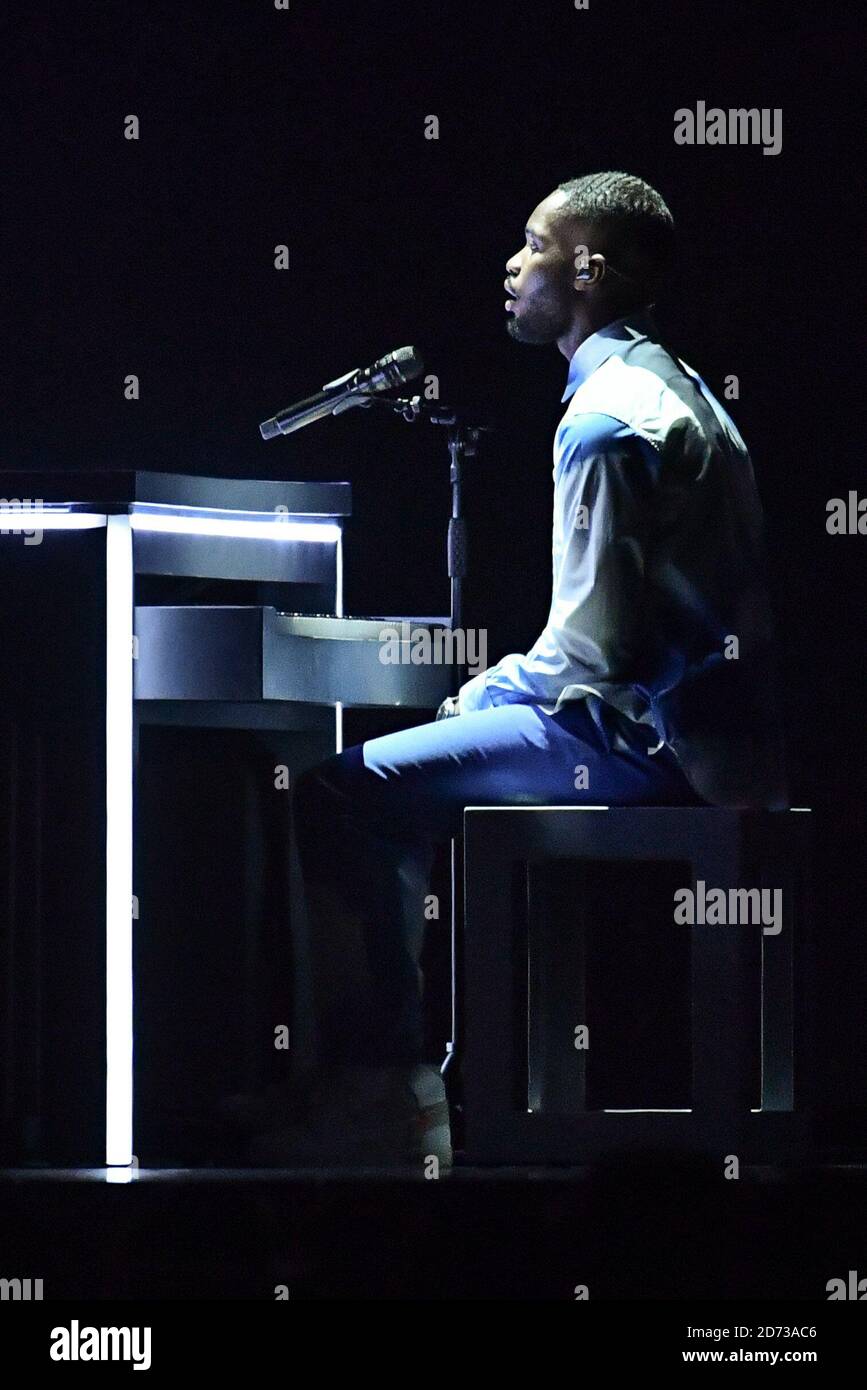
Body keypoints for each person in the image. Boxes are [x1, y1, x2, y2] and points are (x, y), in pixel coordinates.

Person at [244, 170, 787, 1167]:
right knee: (448, 733)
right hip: (715, 734)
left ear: (589, 271)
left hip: (638, 739)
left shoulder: (605, 418)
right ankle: (402, 1081)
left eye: (534, 245)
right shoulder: (684, 389)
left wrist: (491, 688)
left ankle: (380, 1088)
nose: (512, 263)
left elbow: (598, 656)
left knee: (342, 793)